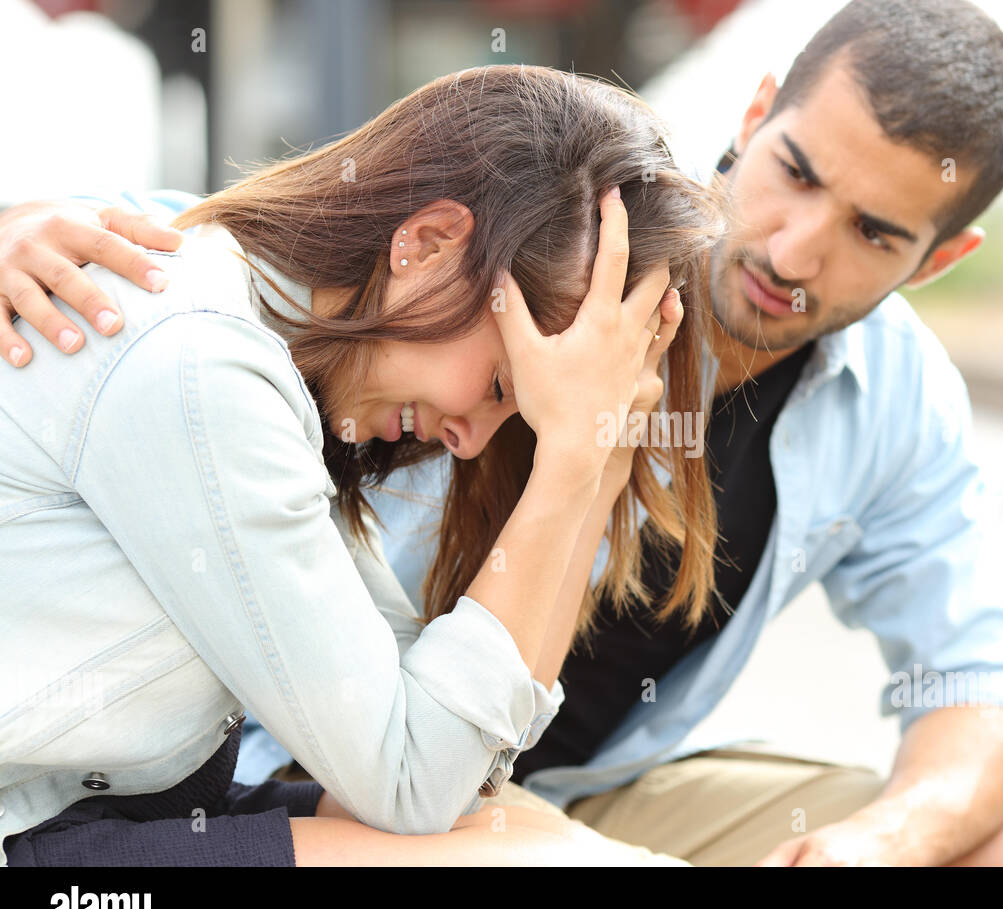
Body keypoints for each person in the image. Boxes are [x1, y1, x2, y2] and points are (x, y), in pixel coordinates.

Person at [2, 0, 1003, 866]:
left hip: (564, 776)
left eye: (873, 231)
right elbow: (218, 264)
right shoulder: (532, 262)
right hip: (326, 771)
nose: (795, 250)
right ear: (754, 116)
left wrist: (885, 841)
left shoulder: (895, 398)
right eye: (796, 173)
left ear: (935, 260)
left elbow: (980, 669)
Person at [0, 64, 725, 866]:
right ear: (427, 243)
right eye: (498, 386)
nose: (471, 442)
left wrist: (602, 460)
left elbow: (458, 768)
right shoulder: (200, 365)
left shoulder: (277, 362)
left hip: (99, 826)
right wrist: (568, 461)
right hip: (40, 841)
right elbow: (409, 783)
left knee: (524, 832)